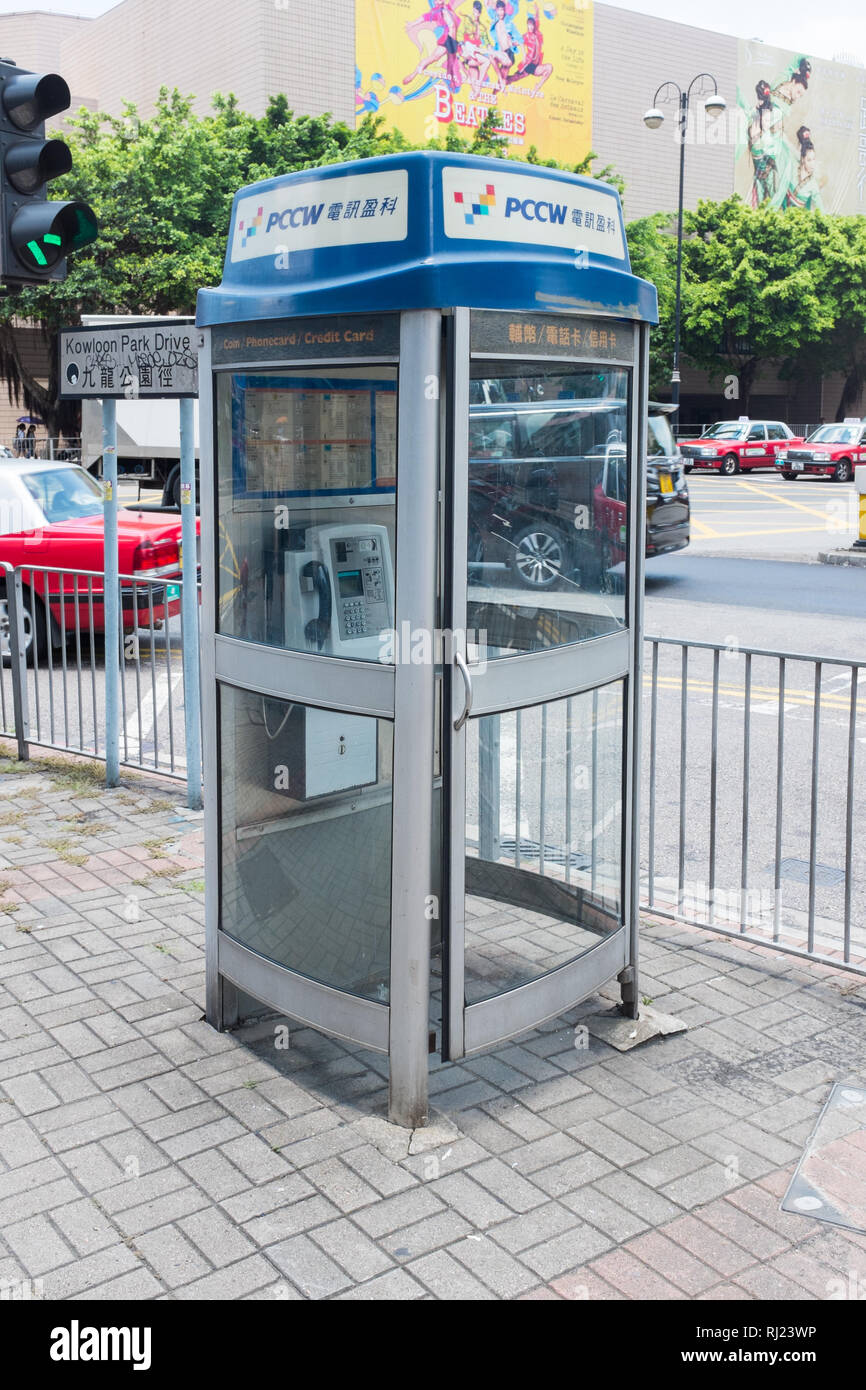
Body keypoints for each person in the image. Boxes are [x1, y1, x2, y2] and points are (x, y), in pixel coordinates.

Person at [506, 2, 553, 96]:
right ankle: (501, 83)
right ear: (527, 26)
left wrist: (537, 10)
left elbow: (537, 18)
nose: (530, 27)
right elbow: (517, 42)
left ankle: (537, 87)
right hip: (528, 64)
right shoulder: (526, 36)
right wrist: (509, 39)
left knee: (549, 67)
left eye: (532, 25)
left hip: (536, 65)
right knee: (513, 78)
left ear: (534, 25)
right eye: (529, 25)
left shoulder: (537, 33)